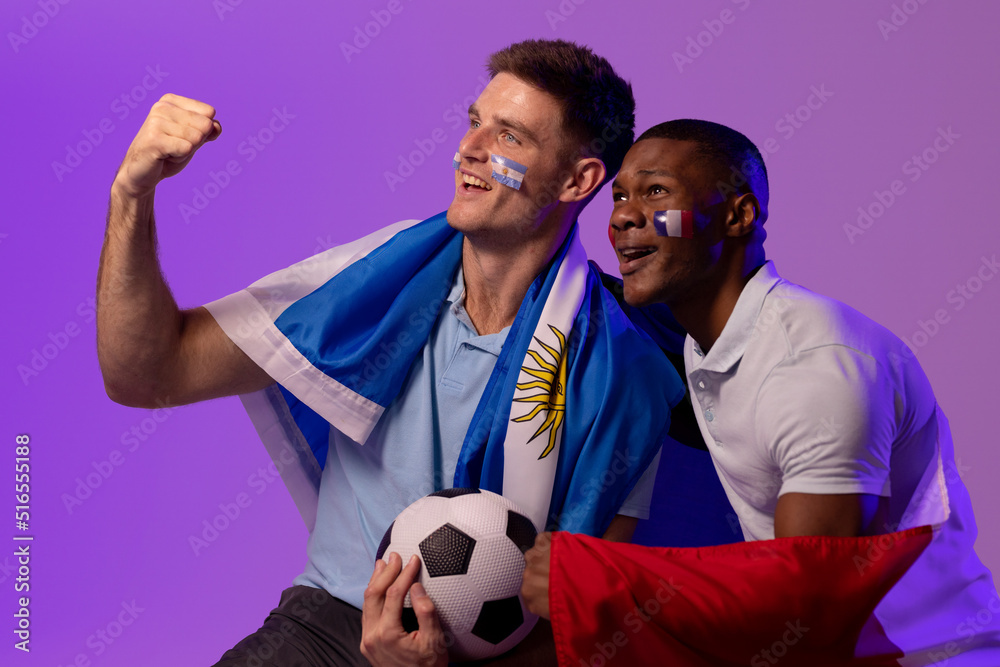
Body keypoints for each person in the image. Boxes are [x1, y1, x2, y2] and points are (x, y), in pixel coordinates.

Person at [97, 40, 686, 665]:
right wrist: (131, 196)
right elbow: (146, 375)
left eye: (509, 136)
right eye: (474, 121)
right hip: (323, 628)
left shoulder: (622, 371)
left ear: (578, 180)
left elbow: (589, 616)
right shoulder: (379, 277)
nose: (470, 148)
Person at [519, 119, 1000, 665]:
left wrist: (589, 577)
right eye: (621, 196)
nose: (623, 216)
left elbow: (811, 598)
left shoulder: (814, 365)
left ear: (738, 216)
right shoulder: (703, 345)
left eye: (656, 192)